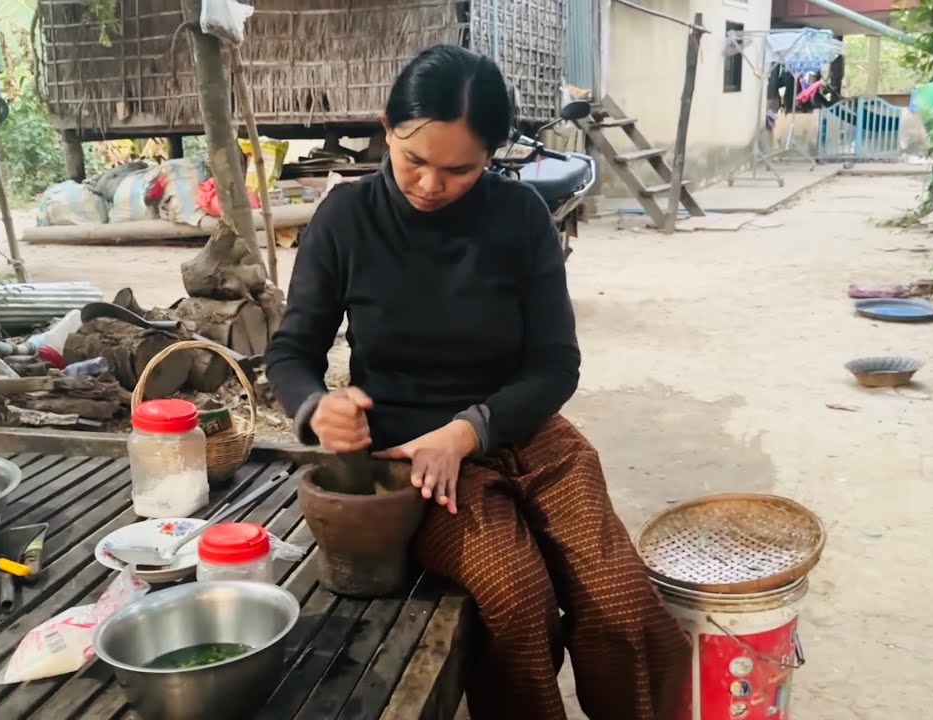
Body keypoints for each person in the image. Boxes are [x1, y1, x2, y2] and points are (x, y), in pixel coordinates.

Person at [265, 45, 690, 720]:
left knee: (622, 603)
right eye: (414, 159)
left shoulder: (520, 219)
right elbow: (290, 353)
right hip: (417, 460)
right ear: (386, 127)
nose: (431, 183)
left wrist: (471, 430)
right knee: (517, 601)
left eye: (459, 169)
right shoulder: (346, 219)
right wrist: (318, 407)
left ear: (493, 155)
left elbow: (556, 364)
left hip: (522, 433)